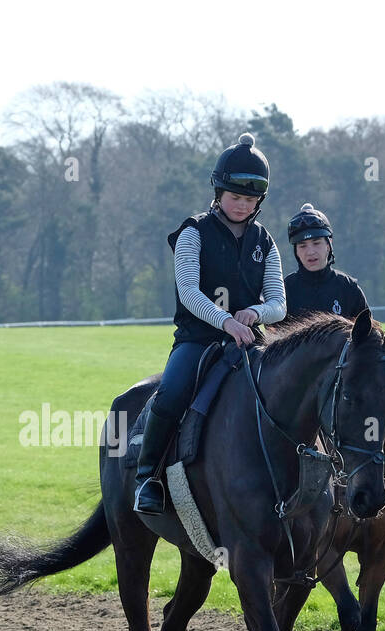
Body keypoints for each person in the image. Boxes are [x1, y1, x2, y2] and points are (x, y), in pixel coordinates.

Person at [134, 133, 287, 515]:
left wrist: (255, 314)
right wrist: (224, 321)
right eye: (235, 197)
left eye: (249, 200)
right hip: (198, 339)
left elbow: (279, 304)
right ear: (218, 192)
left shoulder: (265, 242)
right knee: (170, 393)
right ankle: (147, 478)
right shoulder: (193, 232)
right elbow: (188, 290)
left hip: (250, 343)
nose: (241, 205)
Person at [283, 203, 369, 319]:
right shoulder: (284, 291)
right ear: (296, 251)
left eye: (316, 243)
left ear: (329, 245)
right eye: (302, 246)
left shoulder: (348, 288)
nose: (310, 252)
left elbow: (367, 333)